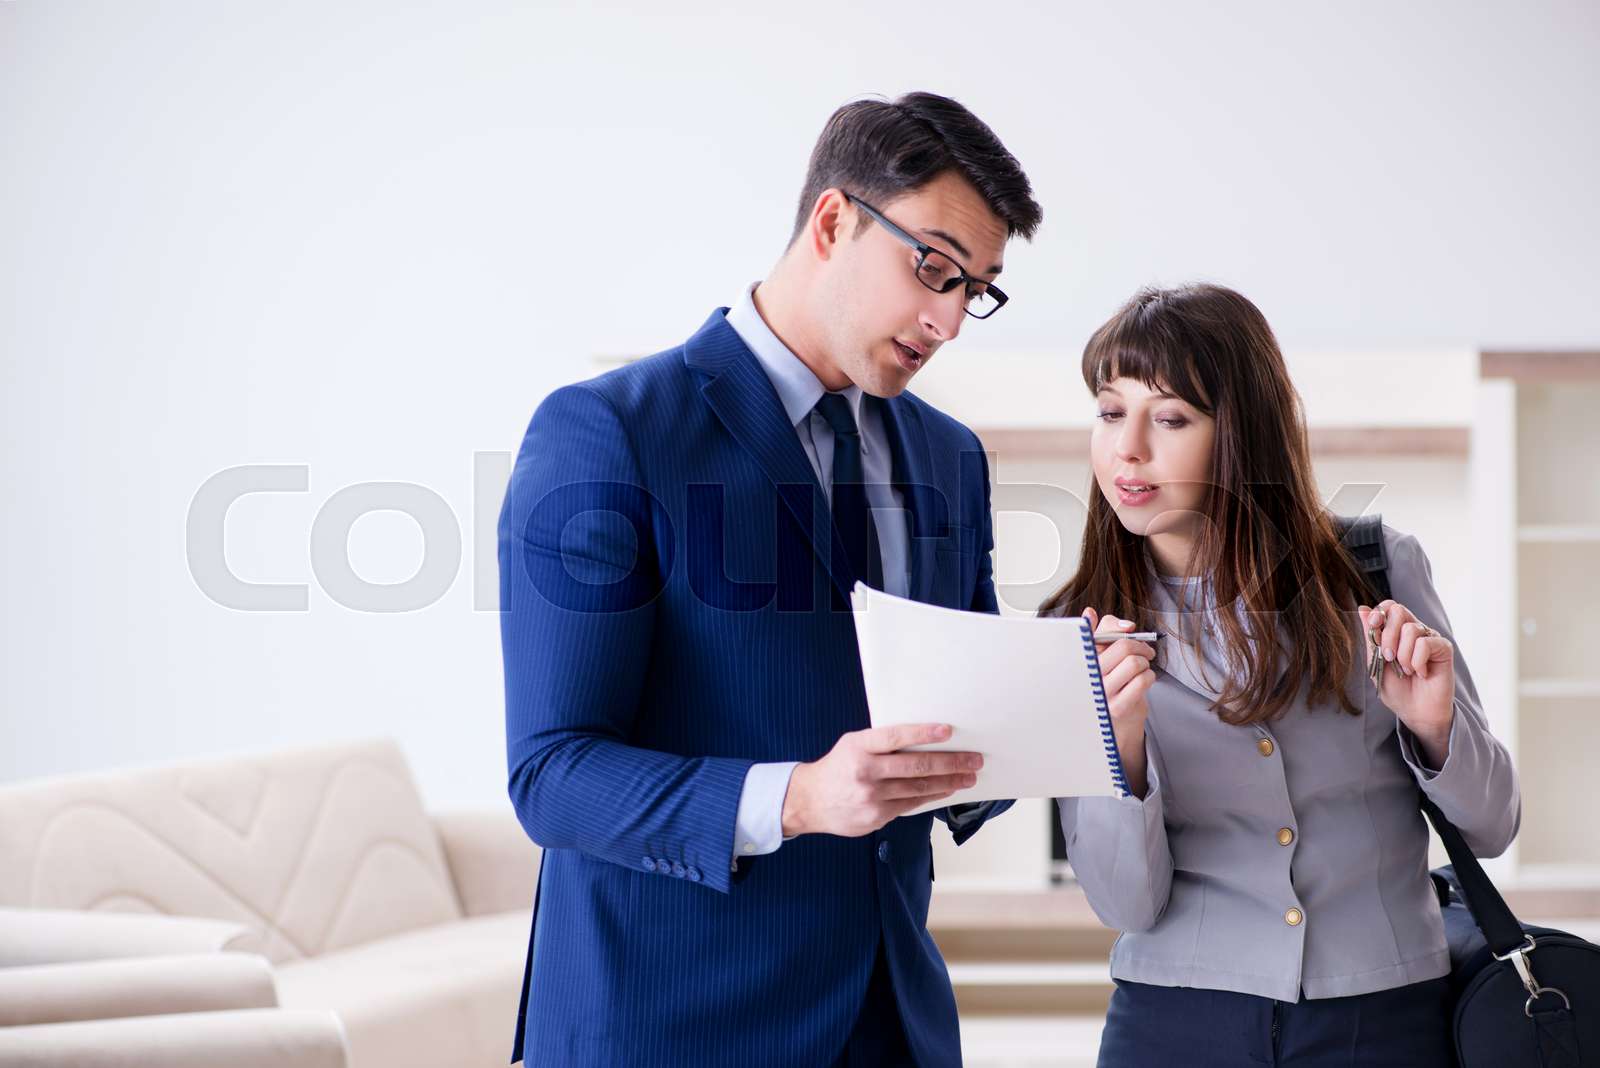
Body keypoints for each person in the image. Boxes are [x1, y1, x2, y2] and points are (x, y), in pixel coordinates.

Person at [497, 92, 1042, 1067]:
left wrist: (1077, 720)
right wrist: (795, 798)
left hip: (890, 1025)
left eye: (975, 289)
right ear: (833, 221)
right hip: (669, 1025)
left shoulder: (949, 457)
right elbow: (553, 774)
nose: (948, 319)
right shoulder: (609, 432)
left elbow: (952, 738)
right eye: (934, 268)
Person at [1044, 284, 1520, 1067]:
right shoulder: (1080, 632)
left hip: (1384, 1015)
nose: (1126, 448)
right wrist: (1120, 751)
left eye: (1169, 418)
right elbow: (1124, 902)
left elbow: (1494, 826)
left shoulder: (1374, 569)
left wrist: (1436, 728)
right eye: (1107, 411)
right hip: (1174, 1022)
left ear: (1242, 436)